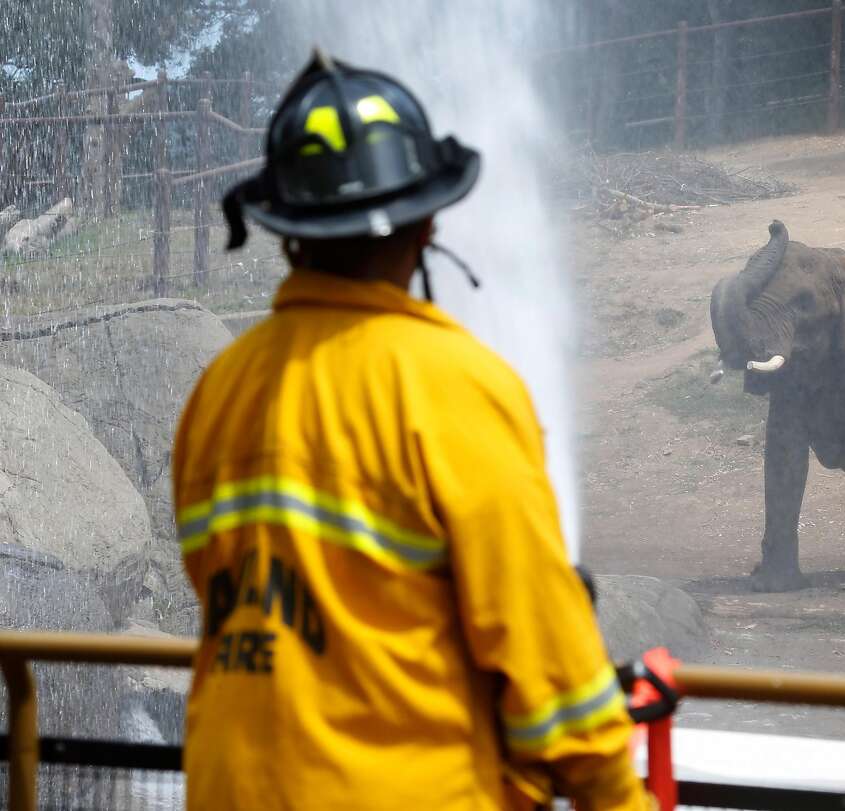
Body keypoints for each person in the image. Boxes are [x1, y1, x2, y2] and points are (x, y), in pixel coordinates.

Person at [173, 50, 647, 810]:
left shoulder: (218, 391)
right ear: (428, 221)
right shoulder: (458, 385)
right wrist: (619, 799)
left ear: (288, 233)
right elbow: (545, 656)